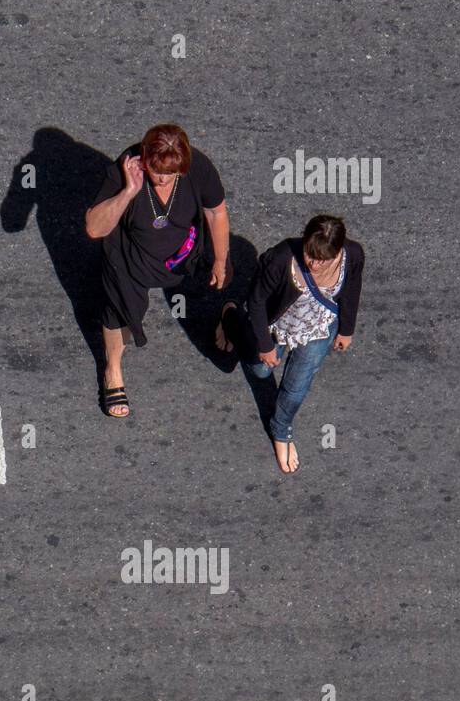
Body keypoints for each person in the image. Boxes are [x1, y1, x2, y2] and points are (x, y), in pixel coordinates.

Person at [84, 124, 231, 417]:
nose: (163, 179)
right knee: (121, 308)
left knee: (223, 274)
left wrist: (219, 259)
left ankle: (228, 316)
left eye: (171, 174)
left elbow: (216, 212)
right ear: (144, 158)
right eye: (156, 170)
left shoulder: (197, 167)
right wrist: (129, 191)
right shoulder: (124, 169)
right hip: (132, 255)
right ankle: (112, 369)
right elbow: (94, 228)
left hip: (183, 251)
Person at [217, 215, 364, 473]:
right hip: (278, 325)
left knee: (296, 387)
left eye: (323, 258)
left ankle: (281, 430)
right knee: (261, 369)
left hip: (318, 328)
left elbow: (352, 288)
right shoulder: (281, 258)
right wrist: (265, 346)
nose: (314, 263)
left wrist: (346, 329)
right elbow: (257, 301)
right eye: (310, 253)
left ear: (338, 251)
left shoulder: (353, 254)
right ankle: (230, 317)